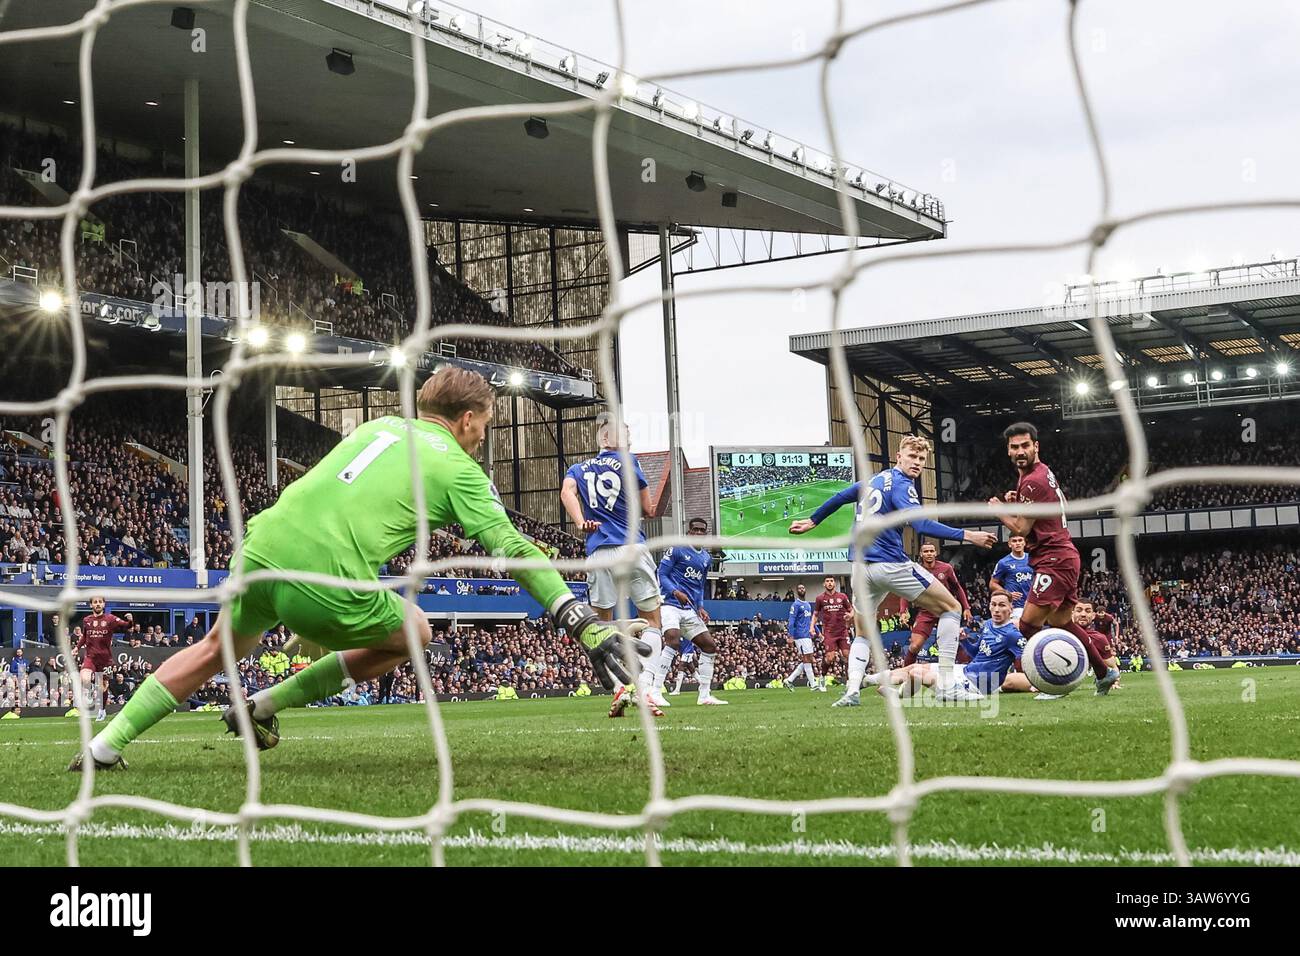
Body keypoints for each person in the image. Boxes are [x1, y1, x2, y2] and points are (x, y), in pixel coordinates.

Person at [70, 368, 647, 771]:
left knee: (216, 647)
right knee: (416, 631)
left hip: (261, 545)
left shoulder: (376, 429)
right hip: (322, 577)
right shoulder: (461, 469)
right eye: (488, 421)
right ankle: (266, 704)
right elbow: (511, 547)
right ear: (469, 419)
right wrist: (577, 619)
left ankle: (106, 744)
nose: (485, 432)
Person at [791, 435, 996, 706]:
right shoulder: (901, 484)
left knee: (863, 633)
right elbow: (921, 526)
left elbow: (841, 496)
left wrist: (814, 521)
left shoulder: (873, 480)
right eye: (912, 457)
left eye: (922, 459)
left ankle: (852, 691)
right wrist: (969, 535)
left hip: (860, 569)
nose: (917, 463)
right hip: (890, 565)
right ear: (899, 456)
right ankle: (947, 686)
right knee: (952, 608)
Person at [987, 423, 1120, 695]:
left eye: (1025, 445)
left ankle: (1055, 677)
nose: (1020, 451)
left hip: (1054, 558)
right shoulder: (1040, 472)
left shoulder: (1032, 481)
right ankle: (1105, 672)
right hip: (1062, 555)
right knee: (1062, 623)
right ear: (1008, 450)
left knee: (1026, 625)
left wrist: (999, 510)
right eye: (1014, 447)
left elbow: (1022, 530)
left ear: (1036, 446)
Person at [559, 410, 663, 718]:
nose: (628, 438)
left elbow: (566, 493)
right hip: (631, 547)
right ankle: (645, 689)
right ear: (607, 437)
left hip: (598, 552)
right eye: (624, 433)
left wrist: (580, 521)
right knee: (653, 622)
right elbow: (648, 508)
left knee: (601, 625)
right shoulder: (629, 461)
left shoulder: (578, 468)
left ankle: (619, 688)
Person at [866, 592, 1033, 698]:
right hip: (966, 671)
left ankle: (898, 694)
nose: (996, 609)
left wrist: (1036, 683)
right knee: (914, 667)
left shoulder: (1013, 635)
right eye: (993, 604)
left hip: (977, 684)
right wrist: (965, 640)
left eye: (1002, 605)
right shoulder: (988, 624)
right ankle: (867, 681)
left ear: (1011, 608)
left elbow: (1025, 661)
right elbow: (977, 654)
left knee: (917, 674)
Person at [646, 517, 728, 707]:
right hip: (669, 604)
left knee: (709, 646)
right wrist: (675, 591)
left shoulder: (706, 558)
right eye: (696, 530)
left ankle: (704, 695)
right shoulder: (677, 549)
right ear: (689, 532)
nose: (699, 533)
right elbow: (662, 574)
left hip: (689, 609)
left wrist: (700, 606)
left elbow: (700, 586)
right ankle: (655, 690)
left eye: (702, 531)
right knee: (673, 641)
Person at [900, 542, 972, 666]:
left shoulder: (946, 568)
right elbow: (905, 592)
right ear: (921, 554)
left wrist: (966, 607)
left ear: (936, 553)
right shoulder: (915, 570)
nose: (929, 554)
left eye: (931, 551)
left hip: (946, 610)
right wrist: (903, 611)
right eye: (926, 551)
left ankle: (965, 673)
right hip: (926, 611)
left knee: (957, 642)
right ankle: (905, 674)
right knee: (915, 645)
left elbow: (957, 588)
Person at [75, 597, 134, 722]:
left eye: (100, 602)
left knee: (103, 687)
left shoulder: (110, 619)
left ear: (104, 604)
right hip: (90, 657)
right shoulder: (87, 620)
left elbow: (126, 626)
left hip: (105, 659)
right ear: (91, 605)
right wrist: (77, 648)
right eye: (95, 602)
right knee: (84, 678)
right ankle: (91, 695)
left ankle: (102, 710)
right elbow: (85, 636)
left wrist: (130, 621)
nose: (98, 604)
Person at [782, 583, 823, 691]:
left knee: (808, 659)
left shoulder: (808, 605)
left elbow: (810, 622)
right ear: (797, 591)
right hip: (800, 635)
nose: (801, 589)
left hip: (807, 635)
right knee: (807, 659)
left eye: (803, 588)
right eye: (799, 588)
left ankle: (789, 680)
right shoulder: (795, 605)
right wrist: (790, 636)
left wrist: (818, 632)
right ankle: (813, 685)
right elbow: (791, 621)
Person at [811, 576, 852, 682]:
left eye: (831, 581)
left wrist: (850, 615)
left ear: (834, 583)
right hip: (829, 632)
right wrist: (812, 627)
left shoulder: (842, 596)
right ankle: (822, 678)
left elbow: (851, 610)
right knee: (830, 658)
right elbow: (815, 614)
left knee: (848, 656)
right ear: (824, 584)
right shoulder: (820, 598)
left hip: (843, 631)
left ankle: (849, 682)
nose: (829, 583)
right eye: (827, 581)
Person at [989, 533, 1033, 622]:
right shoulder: (1003, 562)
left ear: (1024, 543)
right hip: (1016, 606)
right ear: (1009, 544)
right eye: (1014, 541)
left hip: (1032, 603)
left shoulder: (1032, 559)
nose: (1017, 543)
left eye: (1020, 540)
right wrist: (1007, 593)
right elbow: (992, 583)